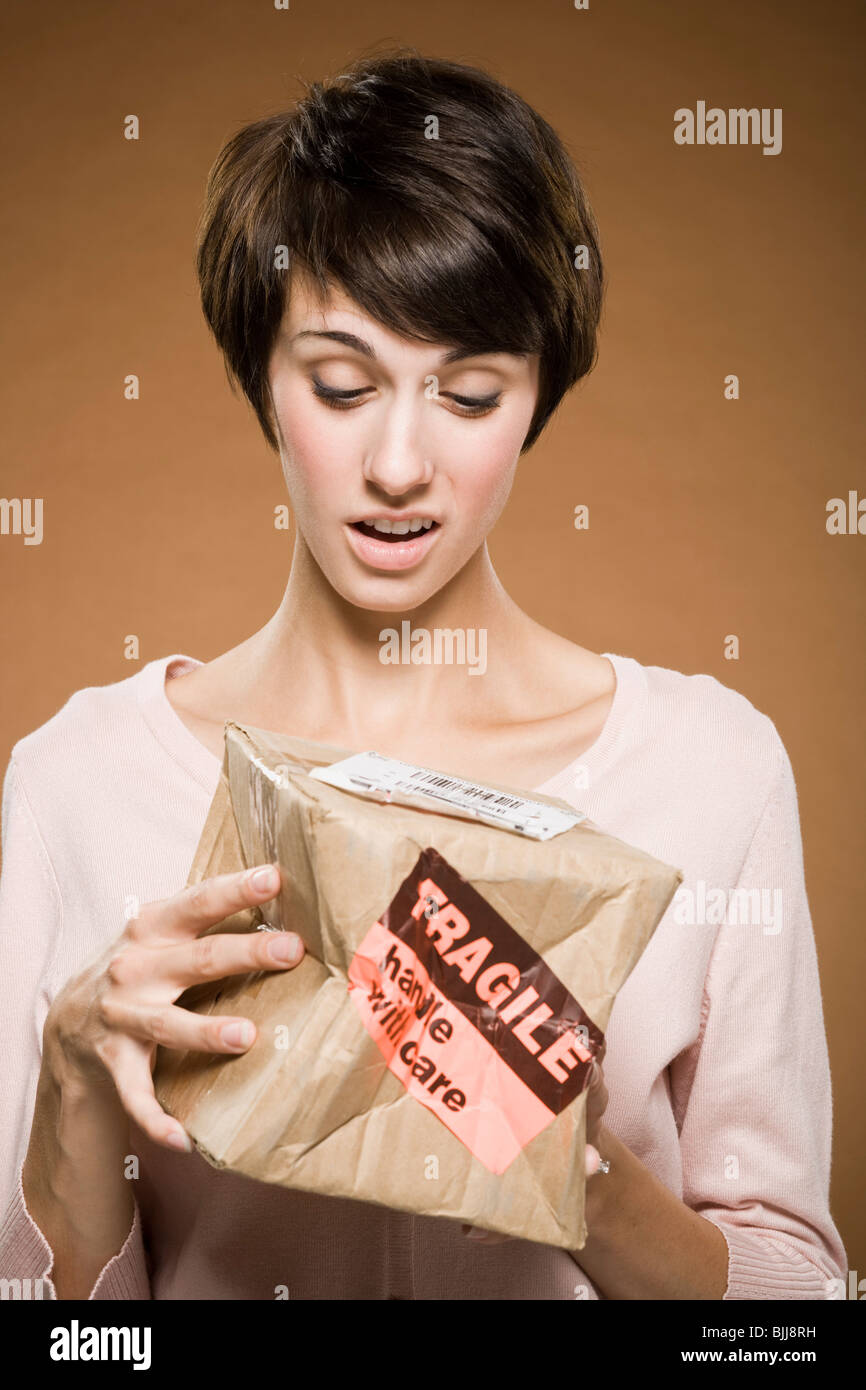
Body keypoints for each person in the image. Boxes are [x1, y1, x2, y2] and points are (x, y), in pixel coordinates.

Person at [0, 49, 846, 1300]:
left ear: (537, 393)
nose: (399, 463)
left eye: (466, 392)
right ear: (264, 381)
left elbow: (789, 1320)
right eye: (341, 384)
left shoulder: (709, 771)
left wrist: (569, 1163)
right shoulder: (78, 781)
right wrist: (74, 1084)